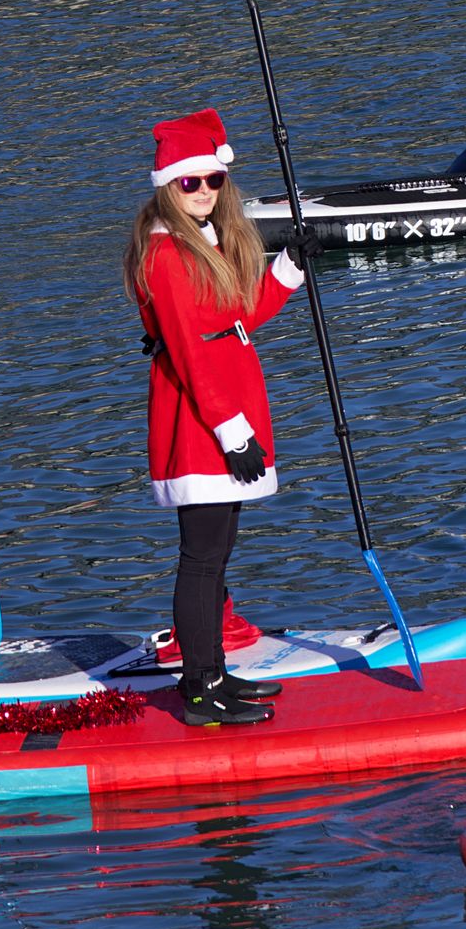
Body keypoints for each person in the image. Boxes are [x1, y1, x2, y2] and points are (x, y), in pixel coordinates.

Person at [122, 109, 317, 726]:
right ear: (166, 185)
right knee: (201, 557)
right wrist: (232, 432)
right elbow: (187, 349)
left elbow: (234, 320)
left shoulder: (199, 241)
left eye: (213, 181)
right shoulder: (164, 254)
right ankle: (199, 686)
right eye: (190, 182)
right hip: (200, 419)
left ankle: (214, 672)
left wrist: (286, 270)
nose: (204, 191)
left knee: (218, 553)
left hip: (226, 409)